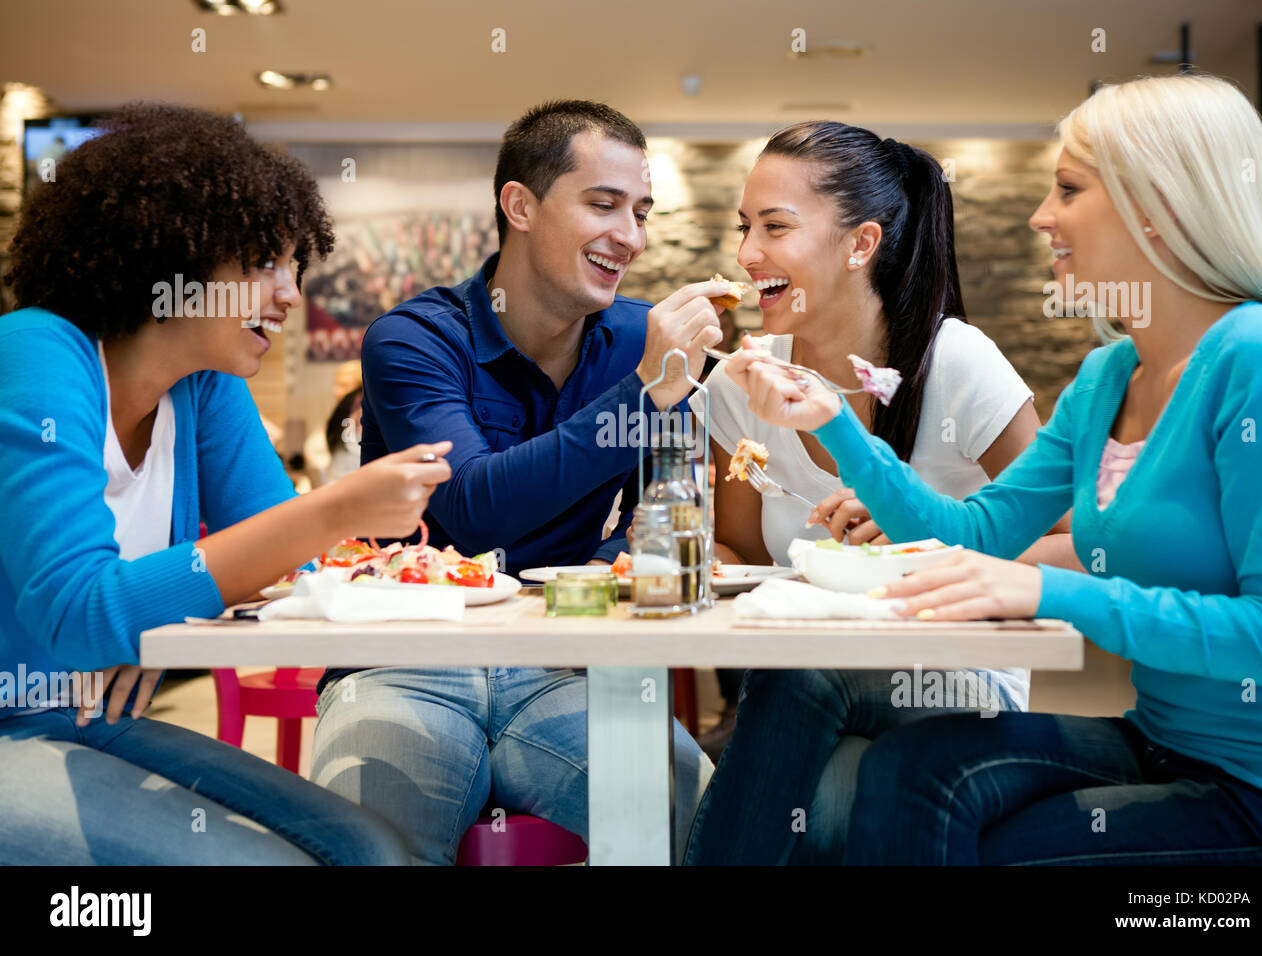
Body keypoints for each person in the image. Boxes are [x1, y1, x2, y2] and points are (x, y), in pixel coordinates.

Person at [721, 74, 1262, 864]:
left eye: (1068, 189)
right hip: (1161, 737)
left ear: (1158, 208)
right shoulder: (1107, 378)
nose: (1041, 217)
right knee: (911, 768)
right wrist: (829, 420)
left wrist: (1046, 587)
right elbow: (974, 531)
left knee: (992, 845)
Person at [0, 103, 453, 865]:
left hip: (82, 715)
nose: (286, 295)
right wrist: (335, 508)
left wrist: (148, 614)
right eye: (259, 264)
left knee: (373, 850)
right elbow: (77, 612)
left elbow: (290, 566)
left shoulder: (201, 388)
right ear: (170, 258)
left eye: (292, 268)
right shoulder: (36, 353)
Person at [311, 100, 724, 864]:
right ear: (520, 205)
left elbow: (662, 510)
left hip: (566, 662)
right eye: (603, 205)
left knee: (703, 818)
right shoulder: (415, 339)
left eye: (640, 212)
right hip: (406, 659)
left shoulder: (639, 339)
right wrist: (645, 392)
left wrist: (600, 577)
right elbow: (470, 509)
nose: (629, 238)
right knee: (363, 846)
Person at [684, 121, 1076, 864]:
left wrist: (925, 537)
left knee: (797, 701)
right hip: (800, 687)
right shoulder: (744, 380)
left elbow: (1075, 543)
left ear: (861, 244)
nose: (745, 254)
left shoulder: (955, 362)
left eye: (775, 227)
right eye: (744, 228)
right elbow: (735, 550)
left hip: (955, 679)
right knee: (807, 768)